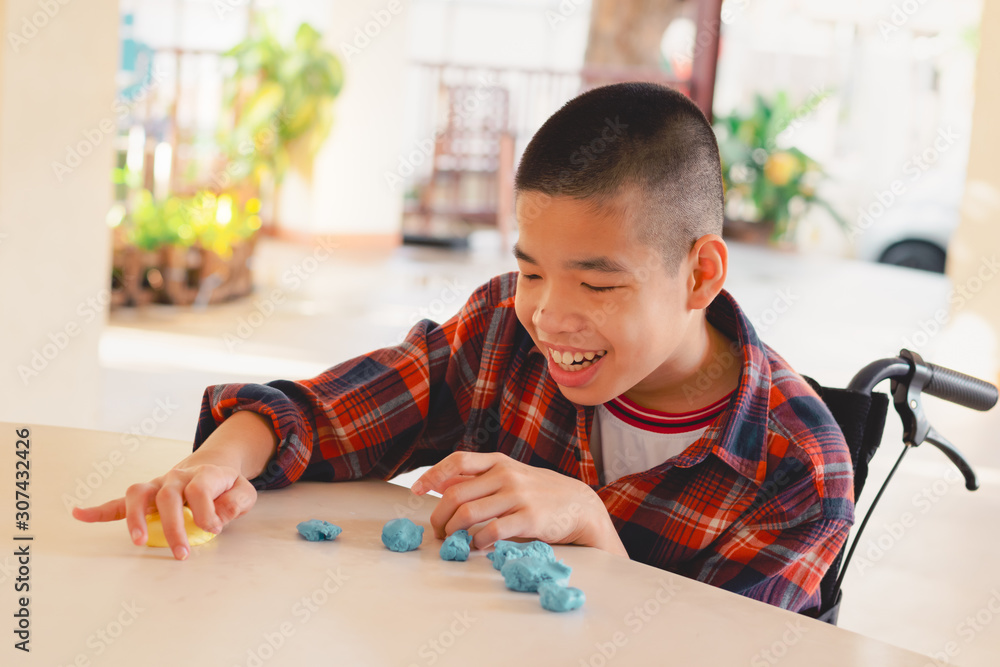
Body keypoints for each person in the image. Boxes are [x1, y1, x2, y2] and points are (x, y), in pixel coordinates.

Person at [74, 82, 854, 614]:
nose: (550, 314)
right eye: (531, 268)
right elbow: (331, 413)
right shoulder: (503, 333)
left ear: (701, 272)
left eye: (599, 283)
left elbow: (720, 649)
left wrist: (590, 528)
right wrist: (216, 461)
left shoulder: (799, 471)